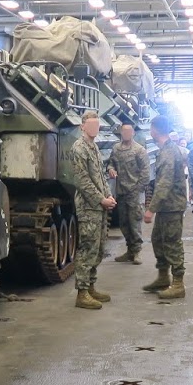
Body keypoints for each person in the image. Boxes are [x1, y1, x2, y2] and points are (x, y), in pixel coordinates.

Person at [68, 110, 115, 309]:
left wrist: (108, 195)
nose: (96, 128)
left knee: (98, 248)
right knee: (87, 248)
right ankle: (82, 293)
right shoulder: (79, 148)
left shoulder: (93, 146)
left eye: (98, 125)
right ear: (82, 126)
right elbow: (83, 181)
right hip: (88, 207)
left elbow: (101, 176)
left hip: (99, 205)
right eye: (92, 125)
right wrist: (100, 200)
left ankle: (91, 287)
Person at [142, 114, 188, 300]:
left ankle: (178, 284)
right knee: (158, 240)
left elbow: (164, 184)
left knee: (171, 243)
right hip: (166, 207)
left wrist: (150, 209)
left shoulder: (169, 152)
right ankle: (163, 277)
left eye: (151, 128)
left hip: (171, 206)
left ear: (155, 130)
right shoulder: (165, 149)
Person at [107, 122, 150, 265]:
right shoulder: (116, 149)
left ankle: (137, 251)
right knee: (124, 223)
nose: (126, 134)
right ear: (121, 133)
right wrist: (111, 169)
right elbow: (111, 163)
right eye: (123, 131)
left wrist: (137, 190)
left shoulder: (139, 150)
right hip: (121, 192)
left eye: (128, 131)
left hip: (134, 193)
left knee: (135, 223)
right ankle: (130, 250)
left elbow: (145, 173)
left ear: (133, 133)